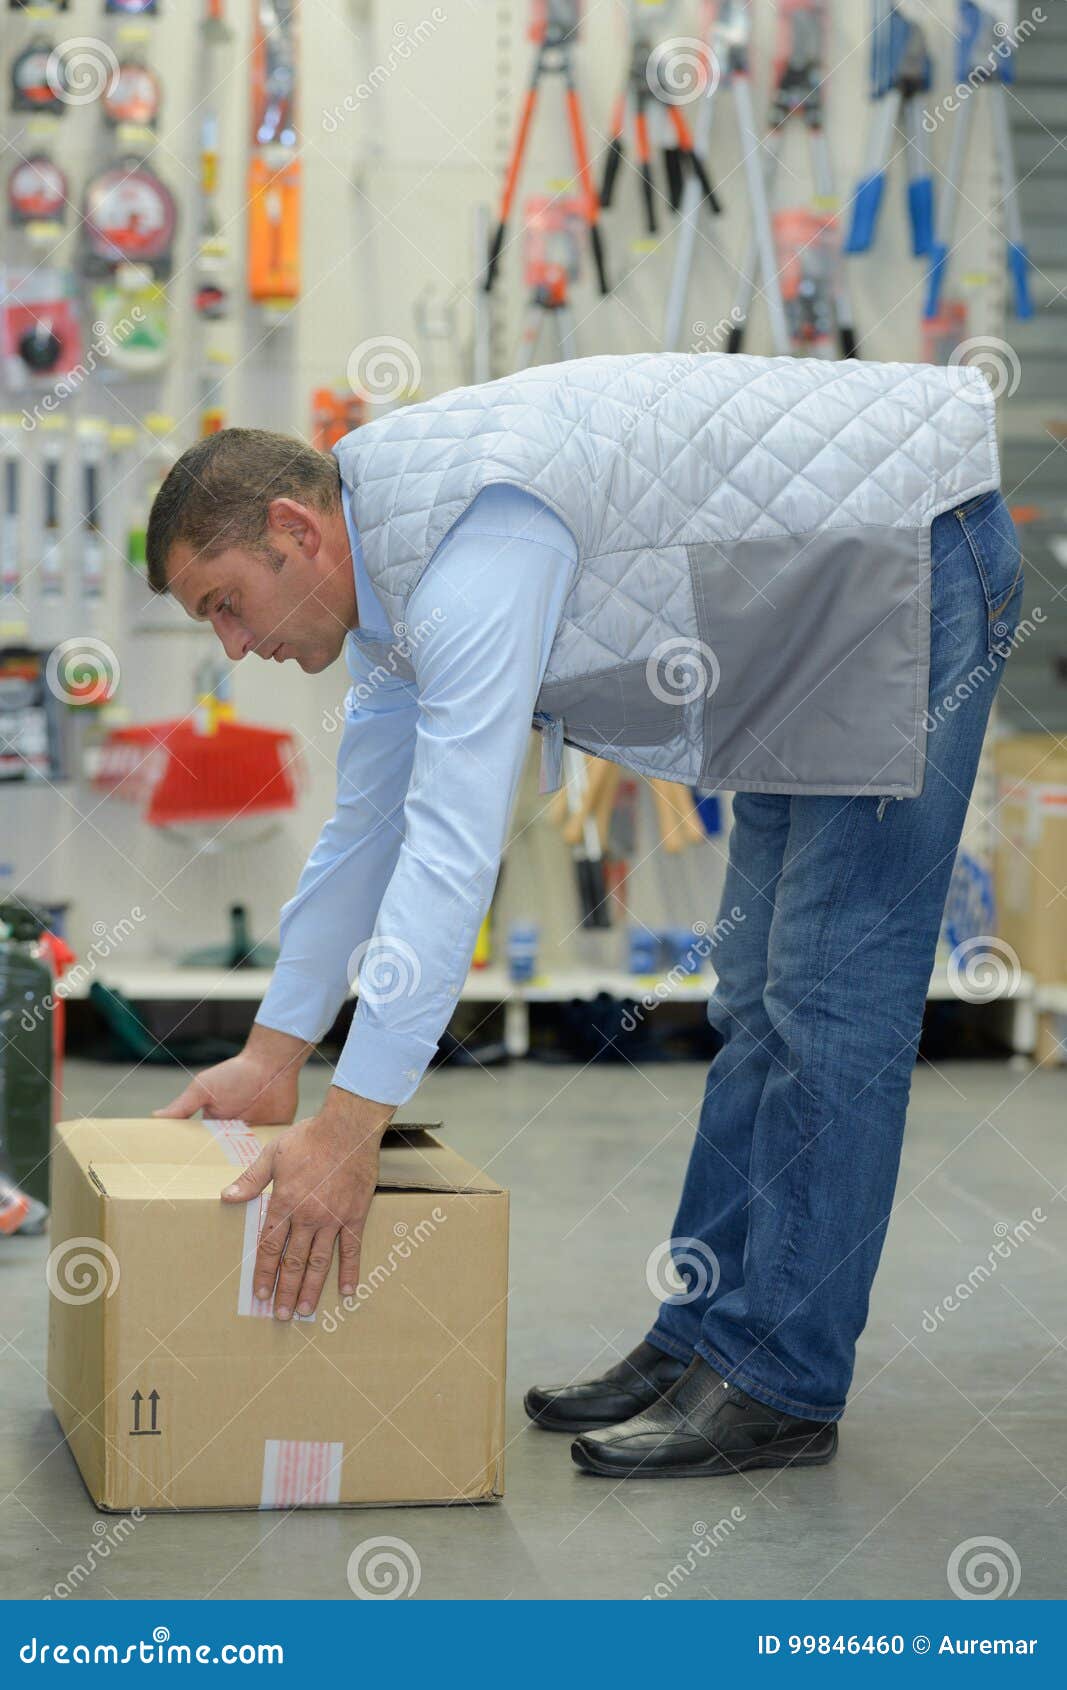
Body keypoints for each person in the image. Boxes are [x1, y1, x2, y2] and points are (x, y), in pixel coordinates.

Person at [147, 351, 1022, 1479]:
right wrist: (273, 1057)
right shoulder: (392, 589)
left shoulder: (472, 554)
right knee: (756, 995)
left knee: (825, 995)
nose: (231, 644)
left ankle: (778, 1378)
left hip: (906, 556)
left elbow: (451, 851)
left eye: (226, 601)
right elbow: (364, 834)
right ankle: (702, 1333)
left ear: (293, 531)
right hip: (805, 601)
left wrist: (350, 1123)